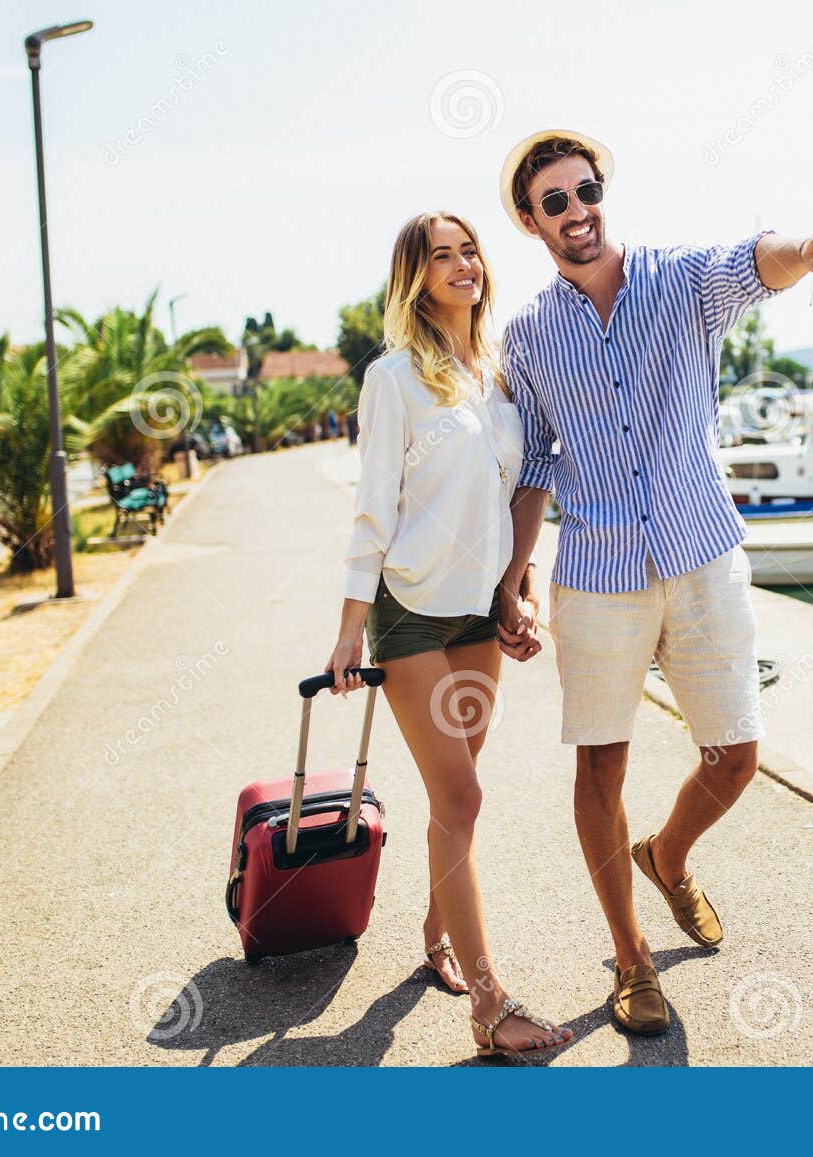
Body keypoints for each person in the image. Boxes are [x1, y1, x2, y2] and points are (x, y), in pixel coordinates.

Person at [495, 130, 813, 1036]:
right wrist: (515, 576)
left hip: (703, 555)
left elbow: (753, 264)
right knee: (599, 765)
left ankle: (668, 853)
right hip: (597, 574)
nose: (578, 209)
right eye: (555, 200)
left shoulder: (676, 281)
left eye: (587, 190)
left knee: (735, 754)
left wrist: (808, 249)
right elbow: (536, 458)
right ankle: (631, 959)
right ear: (529, 220)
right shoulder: (529, 335)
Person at [325, 211, 570, 1058]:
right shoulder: (394, 378)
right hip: (410, 611)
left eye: (470, 250)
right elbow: (373, 507)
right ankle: (492, 1005)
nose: (463, 264)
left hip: (476, 610)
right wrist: (350, 630)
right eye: (442, 256)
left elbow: (524, 488)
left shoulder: (501, 375)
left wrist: (519, 592)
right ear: (416, 278)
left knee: (453, 793)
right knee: (462, 796)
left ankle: (438, 938)